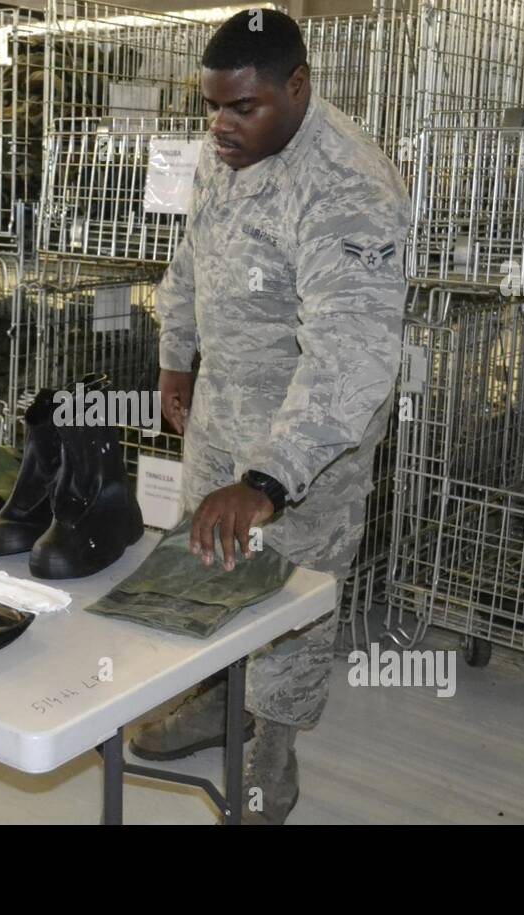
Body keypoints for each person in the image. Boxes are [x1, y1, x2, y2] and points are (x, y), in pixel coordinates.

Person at [132, 9, 410, 824]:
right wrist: (176, 354)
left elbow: (352, 357)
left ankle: (270, 759)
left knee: (290, 600)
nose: (220, 125)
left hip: (307, 447)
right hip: (223, 409)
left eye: (241, 106)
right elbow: (191, 256)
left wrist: (267, 478)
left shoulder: (349, 187)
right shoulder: (228, 148)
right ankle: (217, 702)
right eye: (211, 105)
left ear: (298, 86)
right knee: (208, 569)